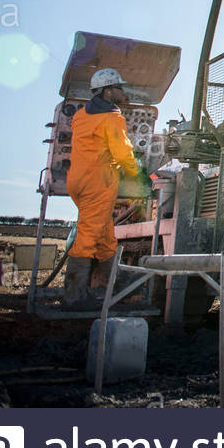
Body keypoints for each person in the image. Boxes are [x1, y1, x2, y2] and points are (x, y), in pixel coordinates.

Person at [63, 68, 144, 308]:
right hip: (97, 183)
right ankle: (74, 296)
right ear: (108, 91)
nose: (122, 91)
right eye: (119, 87)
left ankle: (117, 283)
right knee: (88, 235)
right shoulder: (112, 118)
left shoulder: (81, 116)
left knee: (104, 233)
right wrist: (137, 174)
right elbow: (122, 152)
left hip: (77, 181)